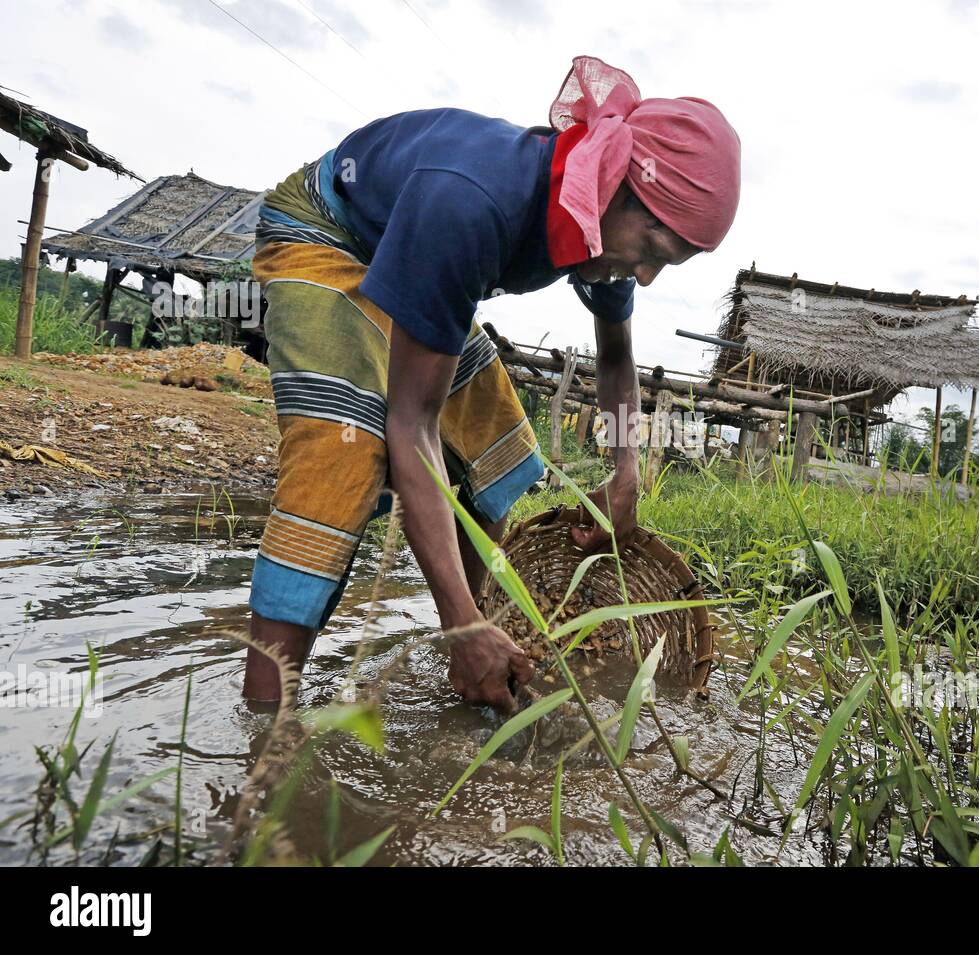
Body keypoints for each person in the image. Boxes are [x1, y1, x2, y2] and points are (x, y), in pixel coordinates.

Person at [242, 55, 741, 712]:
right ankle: (263, 726)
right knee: (342, 453)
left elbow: (616, 358)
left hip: (411, 256)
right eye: (652, 250)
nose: (645, 276)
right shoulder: (472, 201)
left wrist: (626, 467)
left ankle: (479, 668)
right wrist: (463, 627)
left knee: (500, 448)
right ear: (613, 185)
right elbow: (410, 425)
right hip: (327, 232)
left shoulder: (599, 225)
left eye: (665, 265)